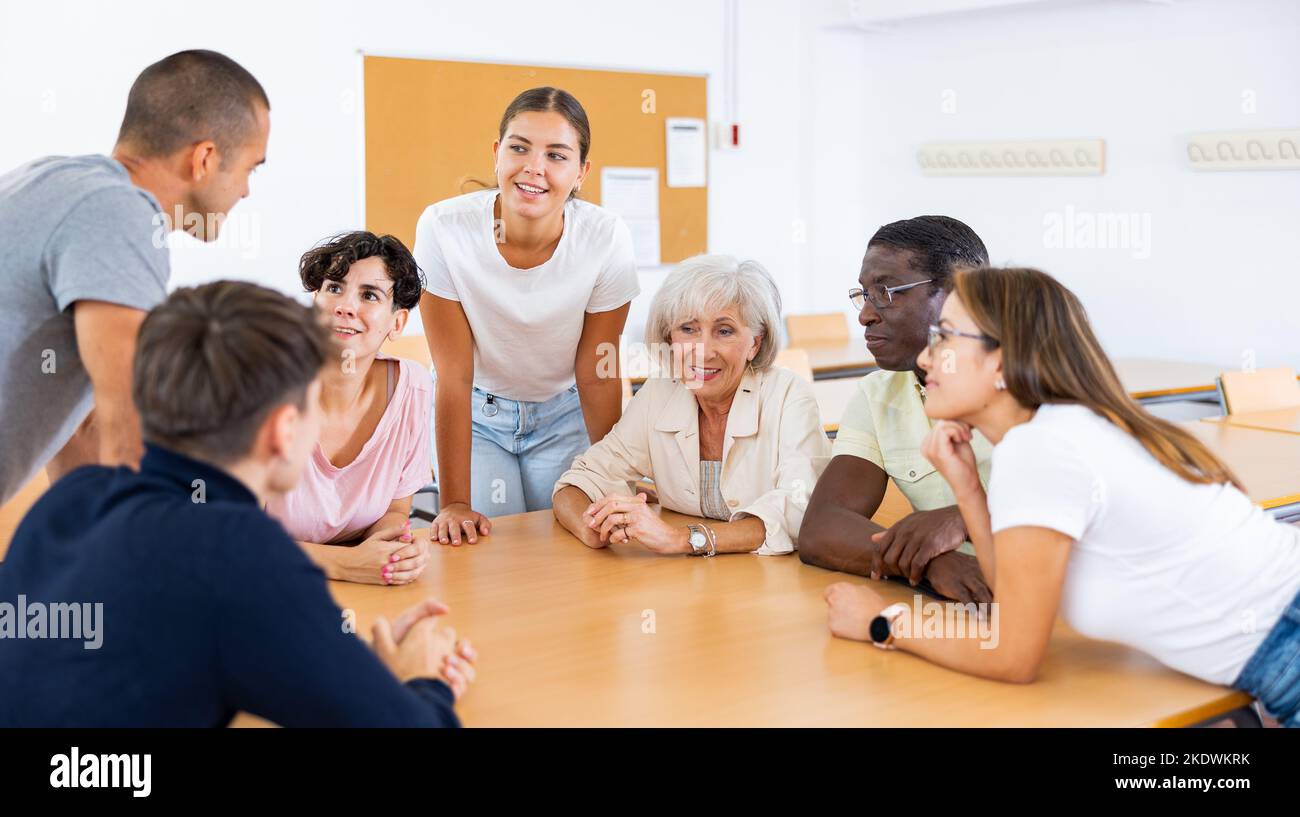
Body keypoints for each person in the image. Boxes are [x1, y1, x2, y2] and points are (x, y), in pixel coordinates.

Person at [823, 266, 1300, 727]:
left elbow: (1015, 656)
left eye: (945, 337)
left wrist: (882, 621)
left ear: (1004, 361)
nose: (926, 359)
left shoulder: (1043, 448)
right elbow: (1011, 595)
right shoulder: (1050, 434)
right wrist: (968, 487)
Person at [0, 282, 475, 727]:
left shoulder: (71, 500)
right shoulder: (240, 554)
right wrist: (422, 680)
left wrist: (349, 668)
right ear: (283, 432)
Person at [0, 50, 270, 505]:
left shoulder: (53, 180)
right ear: (204, 158)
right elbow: (127, 410)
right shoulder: (119, 213)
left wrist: (88, 551)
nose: (245, 190)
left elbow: (87, 427)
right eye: (250, 167)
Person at [415, 86, 639, 544]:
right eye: (519, 148)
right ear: (497, 154)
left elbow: (596, 373)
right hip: (479, 417)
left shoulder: (606, 237)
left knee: (574, 547)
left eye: (557, 155)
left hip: (565, 415)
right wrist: (454, 502)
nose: (534, 167)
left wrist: (617, 480)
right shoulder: (444, 228)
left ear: (581, 172)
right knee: (490, 553)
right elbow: (453, 373)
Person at [553, 255, 829, 556]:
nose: (704, 351)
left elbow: (802, 507)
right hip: (692, 582)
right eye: (688, 329)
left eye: (724, 331)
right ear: (669, 338)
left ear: (755, 343)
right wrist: (591, 527)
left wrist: (684, 539)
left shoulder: (789, 396)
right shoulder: (659, 393)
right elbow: (578, 483)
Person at [800, 216, 993, 603]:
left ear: (958, 294)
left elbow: (1087, 501)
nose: (865, 314)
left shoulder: (1033, 383)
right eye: (864, 295)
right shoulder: (881, 392)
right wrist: (932, 564)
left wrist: (965, 517)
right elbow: (821, 528)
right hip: (967, 603)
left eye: (887, 292)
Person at [267, 232, 433, 586]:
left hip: (350, 592)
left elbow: (394, 510)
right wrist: (346, 564)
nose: (345, 306)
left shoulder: (412, 388)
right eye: (333, 288)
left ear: (397, 323)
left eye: (369, 295)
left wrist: (389, 551)